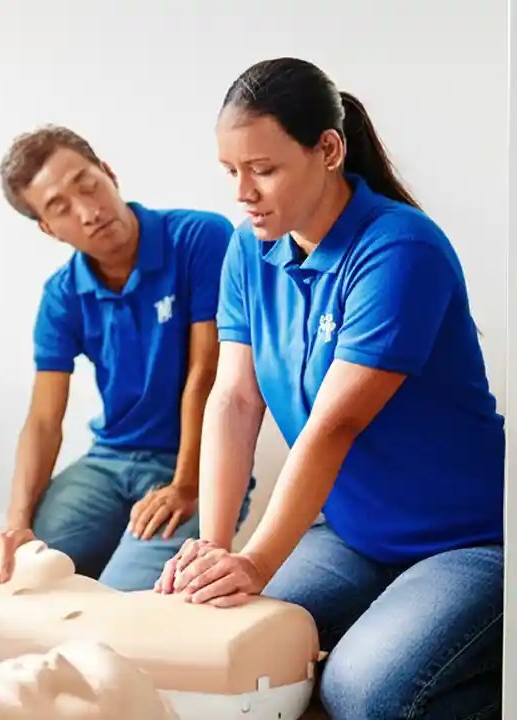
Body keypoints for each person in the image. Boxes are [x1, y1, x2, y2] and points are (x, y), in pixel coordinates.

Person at [157, 57, 504, 718]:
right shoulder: (248, 250)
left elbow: (333, 425)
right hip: (353, 535)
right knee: (227, 637)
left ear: (328, 150)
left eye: (263, 169)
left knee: (362, 690)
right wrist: (214, 543)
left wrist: (257, 562)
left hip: (469, 539)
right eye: (232, 172)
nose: (243, 192)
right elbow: (233, 401)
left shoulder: (401, 250)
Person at [0, 125, 253, 592]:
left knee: (125, 600)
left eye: (87, 185)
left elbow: (205, 373)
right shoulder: (61, 295)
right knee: (20, 579)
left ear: (109, 173)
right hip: (106, 463)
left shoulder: (200, 237)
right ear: (48, 228)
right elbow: (44, 419)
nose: (88, 212)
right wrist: (15, 523)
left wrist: (186, 484)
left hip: (194, 463)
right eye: (60, 208)